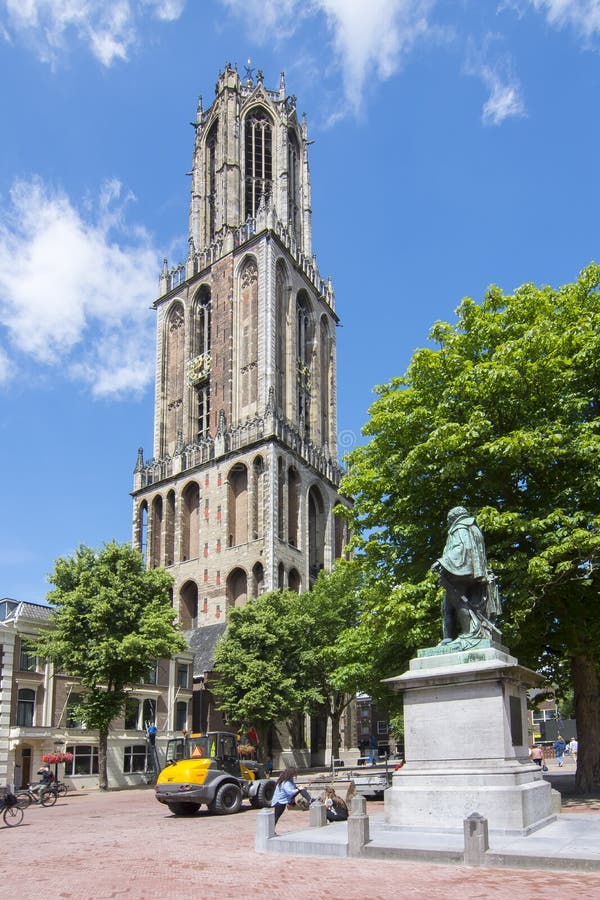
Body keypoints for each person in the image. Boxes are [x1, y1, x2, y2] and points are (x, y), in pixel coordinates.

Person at [432, 506, 501, 644]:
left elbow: (462, 548)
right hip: (473, 572)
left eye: (448, 520)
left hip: (461, 572)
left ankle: (469, 634)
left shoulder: (460, 528)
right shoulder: (473, 528)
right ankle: (450, 637)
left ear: (452, 518)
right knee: (448, 606)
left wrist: (442, 561)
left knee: (457, 602)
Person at [270, 767, 312, 832]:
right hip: (280, 802)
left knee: (302, 789)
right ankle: (271, 830)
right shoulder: (285, 782)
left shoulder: (290, 781)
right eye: (294, 774)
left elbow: (294, 788)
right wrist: (298, 789)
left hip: (286, 799)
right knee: (276, 816)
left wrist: (300, 788)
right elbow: (290, 792)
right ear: (290, 774)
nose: (295, 776)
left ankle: (310, 800)